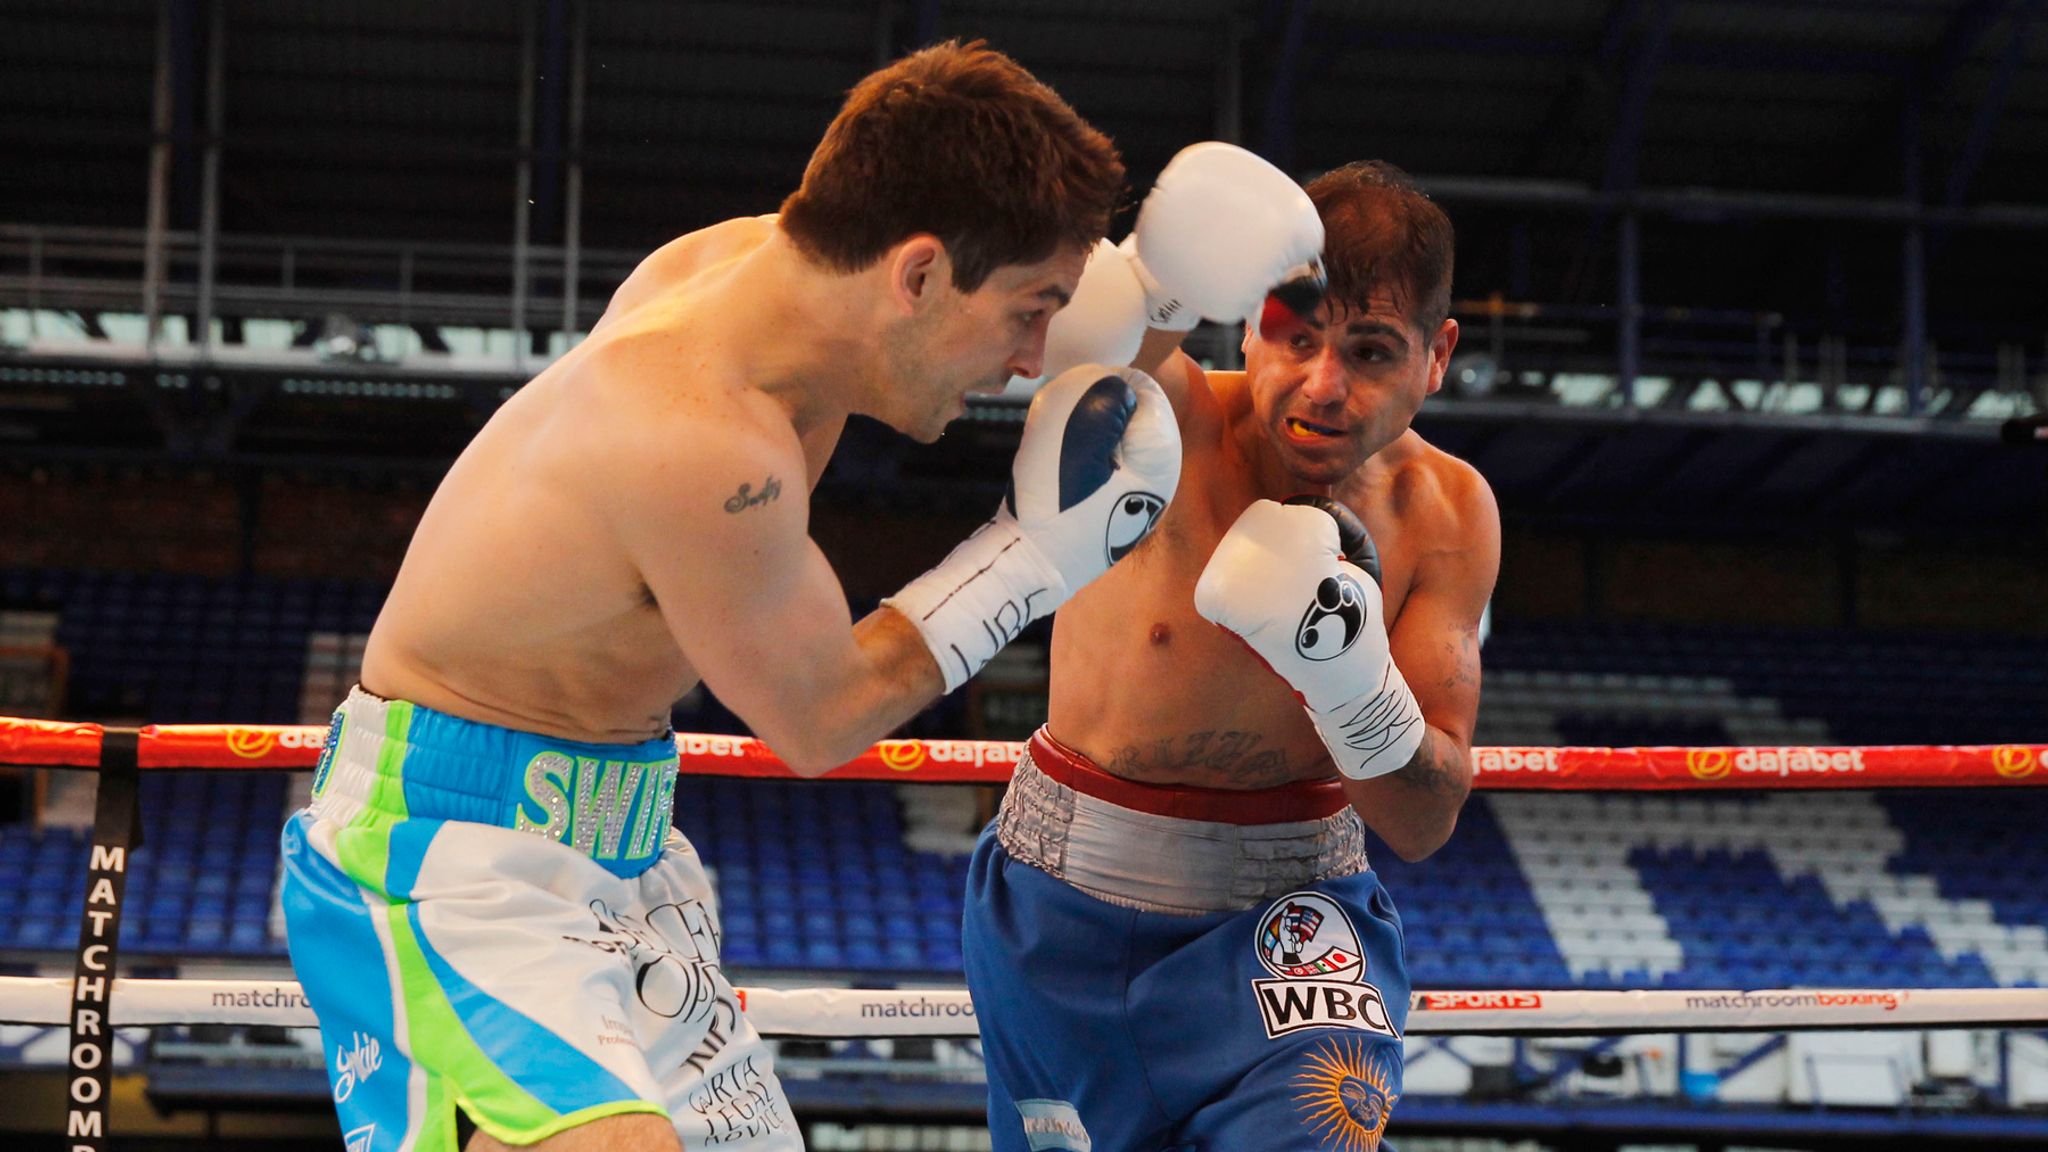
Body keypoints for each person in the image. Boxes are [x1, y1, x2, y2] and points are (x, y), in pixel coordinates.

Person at [276, 41, 1201, 1152]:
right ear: (914, 275)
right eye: (1025, 314)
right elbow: (817, 719)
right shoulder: (702, 438)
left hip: (625, 847)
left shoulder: (764, 281)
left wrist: (1170, 296)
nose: (1030, 358)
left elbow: (1000, 303)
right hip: (449, 855)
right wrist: (1029, 559)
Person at [963, 159, 1502, 1152]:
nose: (1322, 388)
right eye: (1294, 339)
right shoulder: (1160, 419)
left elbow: (1423, 820)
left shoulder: (1448, 513)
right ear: (1249, 323)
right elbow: (1059, 349)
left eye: (1372, 351)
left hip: (1290, 921)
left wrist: (1349, 681)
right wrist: (1164, 267)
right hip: (1060, 919)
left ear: (1437, 355)